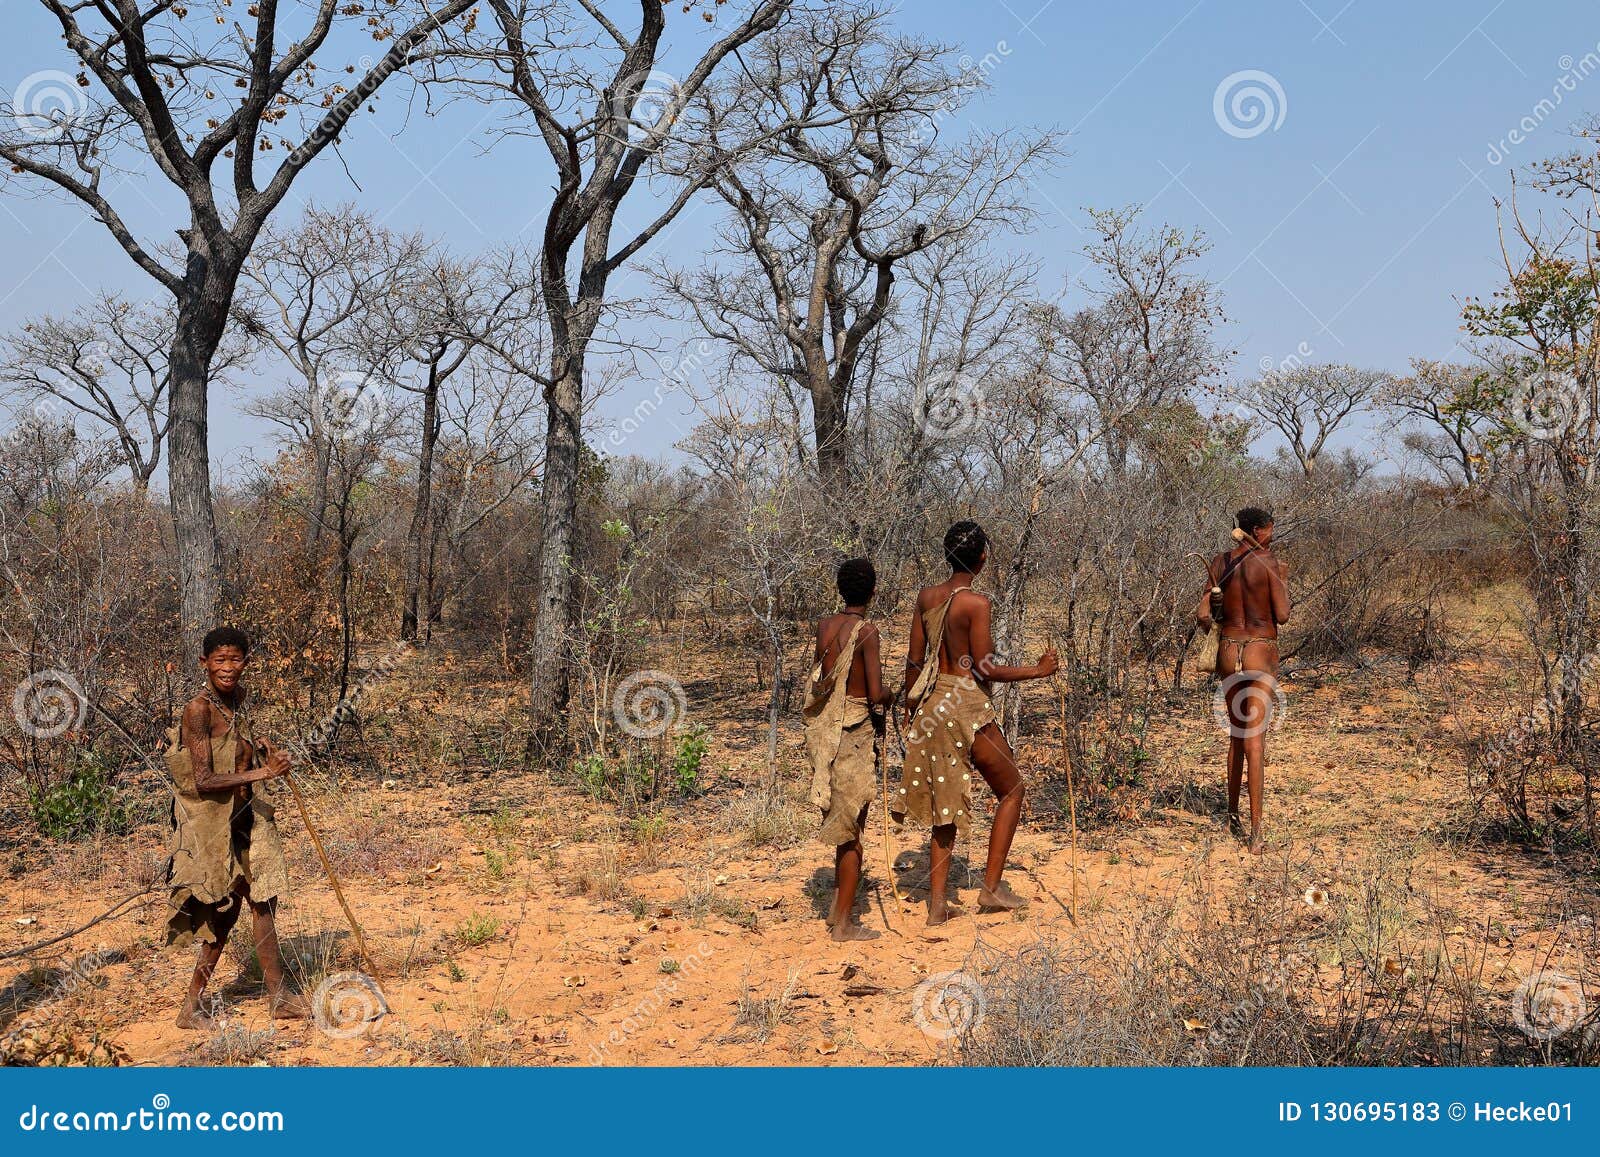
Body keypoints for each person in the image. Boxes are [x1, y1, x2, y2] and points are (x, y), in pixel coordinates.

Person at [894, 522, 1058, 926]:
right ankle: (990, 888)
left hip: (932, 704)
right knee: (1012, 789)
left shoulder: (926, 597)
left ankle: (936, 907)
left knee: (943, 807)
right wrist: (1037, 672)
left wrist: (909, 704)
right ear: (982, 556)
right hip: (965, 704)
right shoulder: (976, 604)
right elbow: (984, 668)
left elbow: (915, 661)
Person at [165, 627, 310, 1027]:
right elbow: (203, 780)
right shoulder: (198, 710)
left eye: (235, 660)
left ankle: (278, 997)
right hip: (214, 828)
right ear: (205, 663)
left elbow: (238, 752)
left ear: (246, 662)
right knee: (224, 912)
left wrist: (260, 749)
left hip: (247, 821)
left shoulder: (238, 702)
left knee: (263, 901)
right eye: (220, 660)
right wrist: (265, 771)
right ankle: (192, 1005)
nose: (228, 668)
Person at [804, 559, 893, 942]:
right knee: (852, 829)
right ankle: (843, 924)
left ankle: (836, 908)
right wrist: (892, 695)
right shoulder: (867, 633)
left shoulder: (825, 626)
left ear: (841, 591)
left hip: (825, 734)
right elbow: (874, 694)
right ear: (873, 592)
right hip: (853, 735)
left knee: (841, 822)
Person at [1196, 507, 1291, 854]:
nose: (1271, 536)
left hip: (1229, 651)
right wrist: (1280, 579)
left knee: (1237, 735)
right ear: (1255, 530)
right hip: (1260, 651)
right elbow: (1282, 614)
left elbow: (1203, 615)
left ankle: (1231, 817)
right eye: (1268, 530)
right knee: (1255, 740)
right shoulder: (1268, 563)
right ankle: (1255, 835)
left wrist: (1222, 607)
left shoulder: (1220, 563)